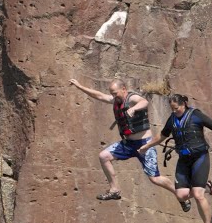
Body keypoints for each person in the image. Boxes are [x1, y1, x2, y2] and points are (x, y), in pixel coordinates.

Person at [68, 78, 187, 209]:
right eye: (111, 93)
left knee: (155, 179)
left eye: (115, 93)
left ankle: (180, 195)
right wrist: (80, 86)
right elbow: (98, 95)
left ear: (123, 89)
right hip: (128, 144)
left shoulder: (131, 98)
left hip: (145, 145)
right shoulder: (116, 100)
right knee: (103, 156)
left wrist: (134, 109)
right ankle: (114, 190)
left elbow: (144, 102)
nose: (113, 96)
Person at [136, 95, 212, 223]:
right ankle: (208, 187)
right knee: (181, 195)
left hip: (199, 158)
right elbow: (162, 136)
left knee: (197, 194)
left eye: (177, 108)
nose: (175, 111)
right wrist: (147, 146)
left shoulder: (195, 115)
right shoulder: (172, 119)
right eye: (173, 109)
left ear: (184, 104)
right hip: (184, 160)